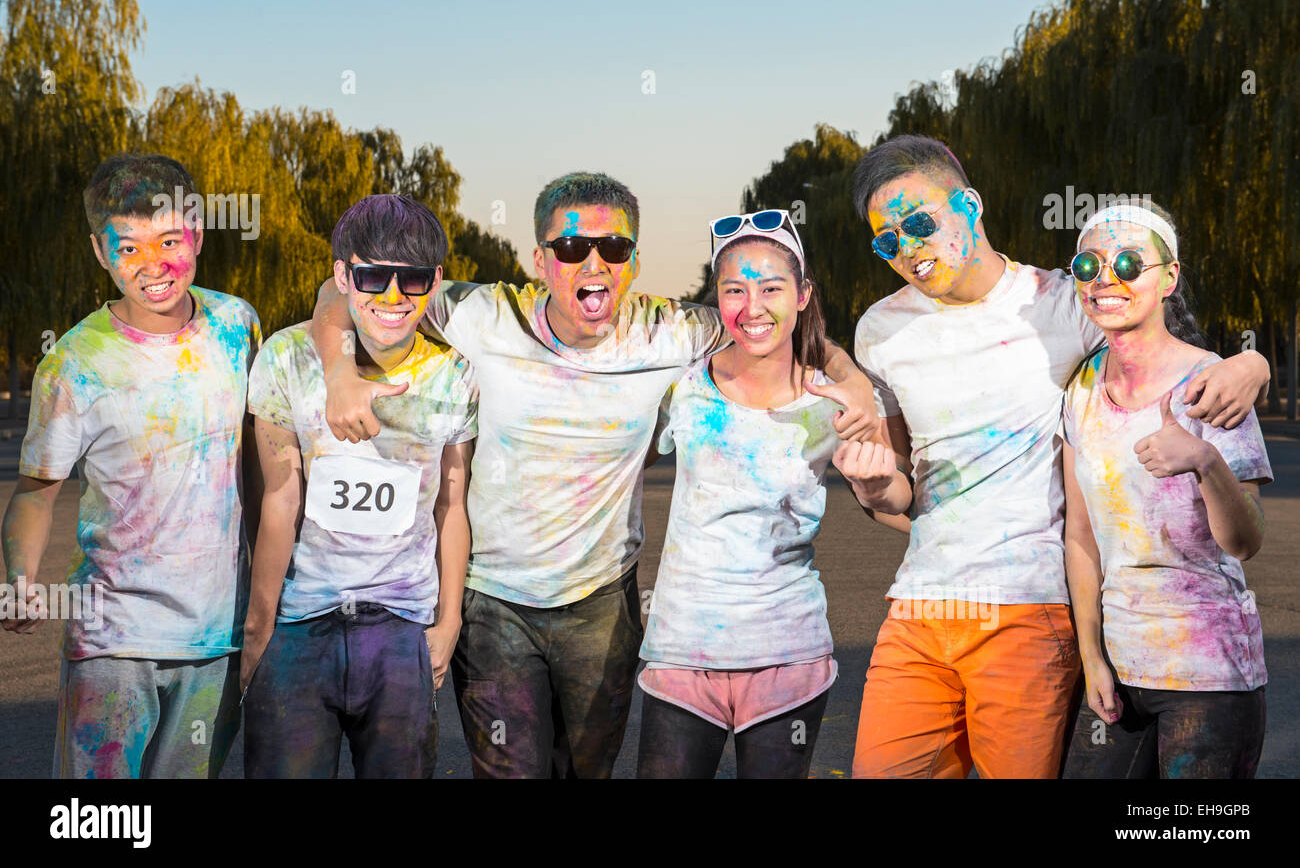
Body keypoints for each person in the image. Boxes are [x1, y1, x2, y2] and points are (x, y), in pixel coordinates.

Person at [311, 172, 879, 778]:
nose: (594, 262)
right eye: (572, 248)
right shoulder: (485, 314)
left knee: (588, 771)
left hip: (602, 602)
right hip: (494, 600)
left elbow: (779, 331)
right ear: (540, 259)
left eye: (613, 248)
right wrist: (341, 370)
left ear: (632, 260)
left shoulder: (672, 331)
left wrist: (855, 380)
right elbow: (338, 289)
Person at [849, 135, 1270, 778]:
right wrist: (875, 492)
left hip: (1029, 607)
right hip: (919, 607)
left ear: (969, 205)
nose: (908, 249)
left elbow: (1156, 345)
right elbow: (899, 487)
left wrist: (1251, 363)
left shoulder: (1060, 302)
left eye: (919, 224)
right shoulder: (879, 331)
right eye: (887, 240)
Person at [0, 152, 261, 778]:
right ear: (98, 250)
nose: (154, 265)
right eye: (130, 248)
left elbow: (258, 466)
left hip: (216, 637)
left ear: (196, 232)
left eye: (170, 240)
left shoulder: (238, 327)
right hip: (112, 639)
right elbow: (36, 493)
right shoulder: (74, 364)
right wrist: (19, 576)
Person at [636, 211, 910, 778]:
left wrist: (878, 480)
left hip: (788, 653)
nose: (752, 306)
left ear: (803, 293)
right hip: (682, 653)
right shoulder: (681, 387)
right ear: (718, 297)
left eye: (771, 288)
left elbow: (895, 503)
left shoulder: (836, 402)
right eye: (735, 289)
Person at [241, 195, 475, 778]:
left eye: (413, 279)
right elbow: (279, 500)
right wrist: (259, 629)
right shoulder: (288, 358)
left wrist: (448, 624)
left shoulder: (454, 374)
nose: (393, 297)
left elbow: (452, 506)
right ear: (342, 275)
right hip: (299, 623)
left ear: (435, 281)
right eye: (372, 276)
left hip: (401, 626)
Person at [1060, 202, 1271, 778]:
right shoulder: (1080, 388)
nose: (1107, 278)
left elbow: (1246, 542)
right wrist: (1091, 657)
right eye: (1089, 265)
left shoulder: (1214, 385)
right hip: (1119, 669)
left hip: (1210, 672)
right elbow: (1080, 536)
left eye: (1129, 262)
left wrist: (1204, 461)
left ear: (1168, 278)